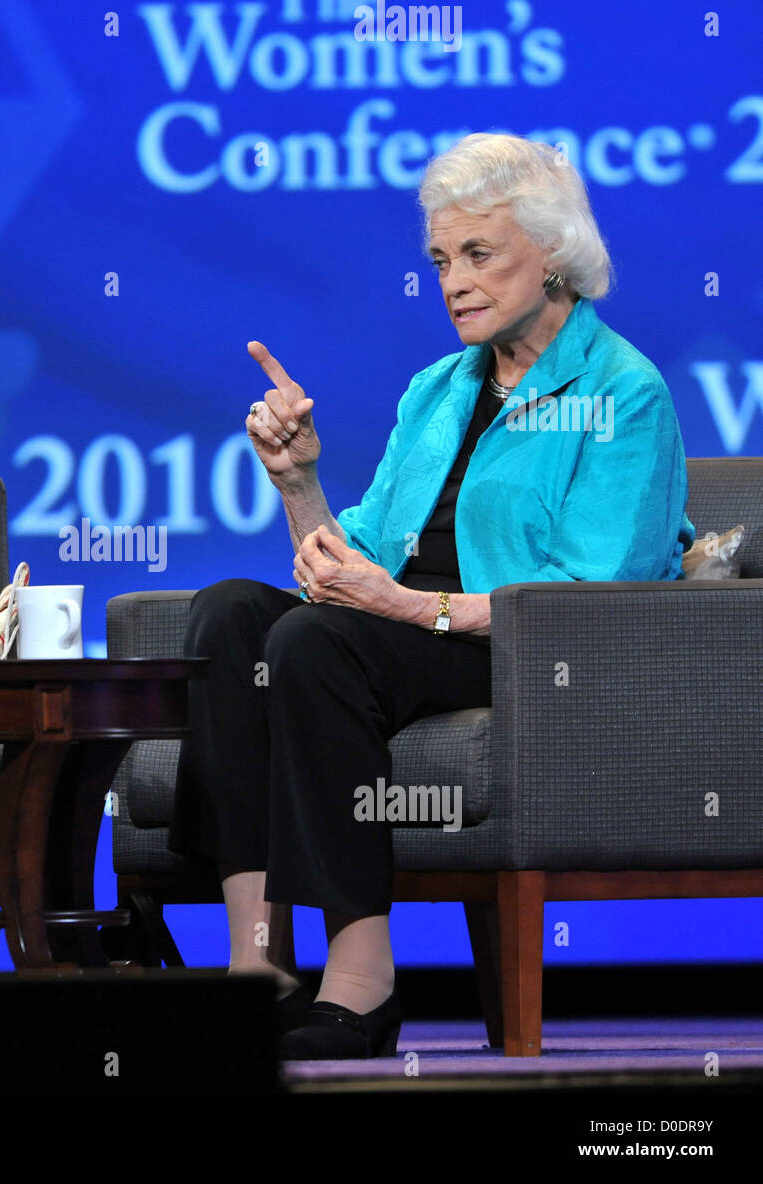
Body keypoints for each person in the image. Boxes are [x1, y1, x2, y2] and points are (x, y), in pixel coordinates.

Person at [170, 133, 694, 1060]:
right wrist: (299, 484)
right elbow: (343, 567)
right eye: (442, 260)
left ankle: (362, 982)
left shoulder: (623, 394)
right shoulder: (438, 391)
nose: (453, 281)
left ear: (556, 254)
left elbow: (593, 606)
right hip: (396, 637)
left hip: (525, 655)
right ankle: (256, 969)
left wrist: (409, 609)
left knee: (312, 646)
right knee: (228, 619)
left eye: (479, 255)